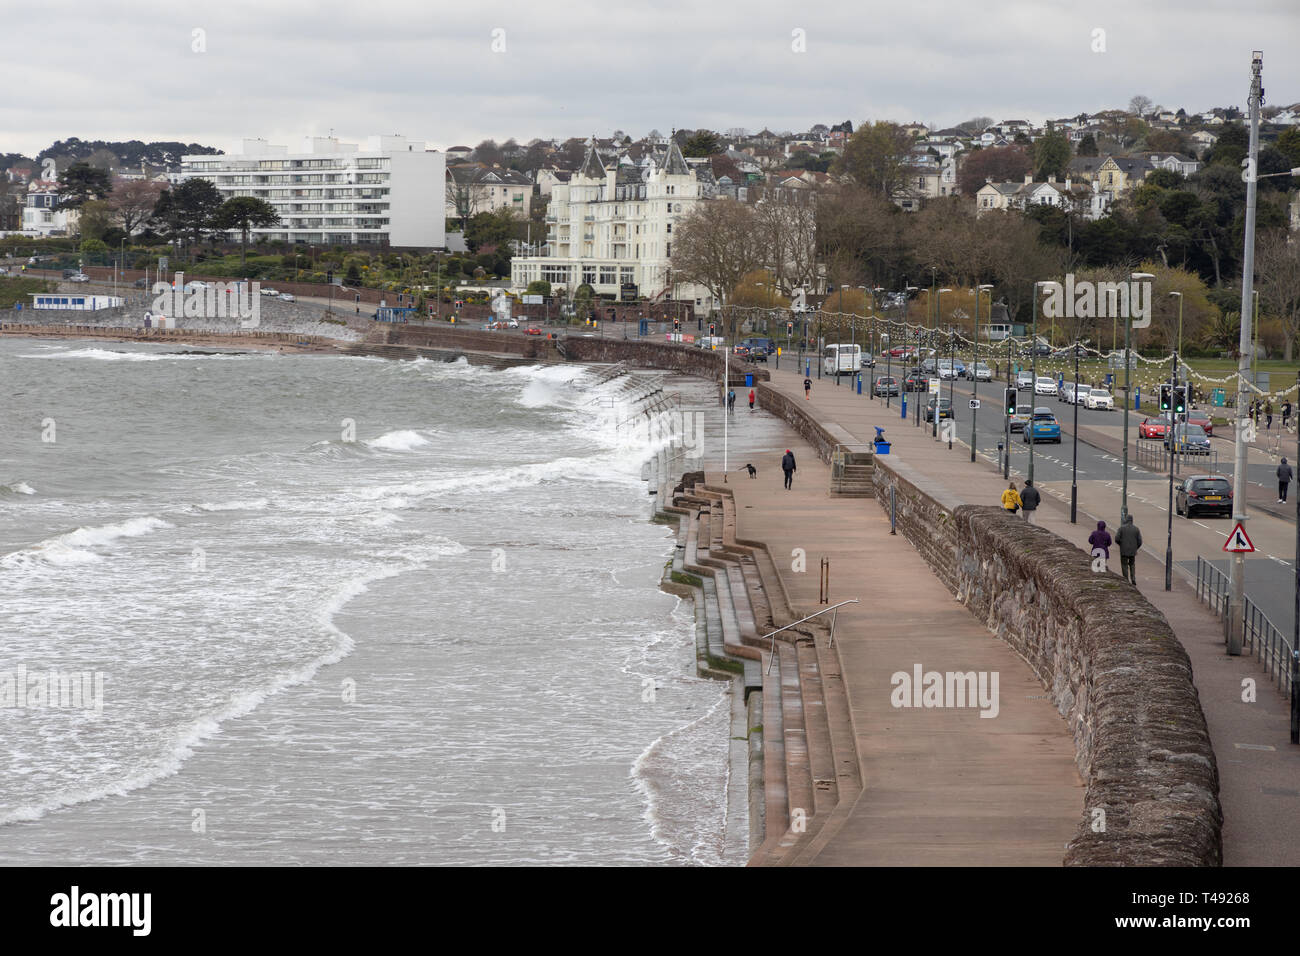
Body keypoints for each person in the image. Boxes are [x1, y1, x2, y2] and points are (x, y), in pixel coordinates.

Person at [1115, 515, 1142, 585]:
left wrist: (1121, 544)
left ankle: (1126, 579)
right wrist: (1136, 547)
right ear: (1132, 520)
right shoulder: (1136, 529)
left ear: (1126, 520)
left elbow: (1117, 539)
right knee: (1132, 564)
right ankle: (1133, 578)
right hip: (1133, 550)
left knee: (1124, 564)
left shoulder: (1121, 528)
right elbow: (1140, 541)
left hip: (1124, 550)